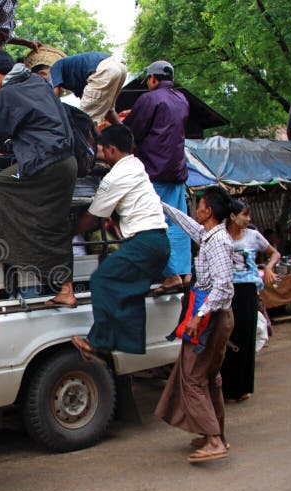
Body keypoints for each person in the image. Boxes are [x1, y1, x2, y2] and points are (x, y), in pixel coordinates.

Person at [0, 50, 78, 307]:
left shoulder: (8, 94)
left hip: (43, 165)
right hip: (68, 163)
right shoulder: (38, 82)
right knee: (54, 224)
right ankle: (66, 289)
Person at [71, 125, 170, 357]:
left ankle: (99, 341)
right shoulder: (137, 165)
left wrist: (70, 234)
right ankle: (130, 342)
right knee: (129, 290)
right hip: (160, 244)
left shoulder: (114, 178)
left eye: (103, 151)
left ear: (112, 150)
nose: (101, 155)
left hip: (144, 242)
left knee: (102, 279)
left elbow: (92, 218)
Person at [155, 186, 235, 463]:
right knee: (210, 379)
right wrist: (163, 206)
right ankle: (214, 434)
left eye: (199, 205)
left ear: (208, 211)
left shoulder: (219, 243)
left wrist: (199, 316)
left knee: (192, 377)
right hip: (213, 317)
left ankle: (214, 441)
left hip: (210, 319)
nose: (196, 209)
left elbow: (223, 287)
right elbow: (188, 224)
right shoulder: (208, 235)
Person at [124, 60, 191, 293]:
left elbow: (132, 131)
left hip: (155, 172)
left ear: (152, 79)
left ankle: (171, 275)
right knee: (179, 223)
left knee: (155, 224)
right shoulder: (182, 99)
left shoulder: (149, 99)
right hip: (177, 172)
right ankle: (184, 271)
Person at [222, 201, 281, 401]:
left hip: (247, 290)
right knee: (228, 337)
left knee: (245, 337)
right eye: (245, 215)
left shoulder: (253, 236)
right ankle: (227, 388)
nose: (248, 219)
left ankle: (243, 388)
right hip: (226, 290)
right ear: (232, 216)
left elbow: (274, 253)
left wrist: (269, 269)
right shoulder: (220, 235)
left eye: (249, 215)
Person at [49, 52, 128, 126]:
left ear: (41, 72)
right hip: (119, 66)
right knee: (108, 110)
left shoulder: (55, 67)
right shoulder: (73, 73)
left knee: (81, 121)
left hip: (105, 70)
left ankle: (94, 140)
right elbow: (88, 102)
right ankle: (127, 137)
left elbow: (55, 98)